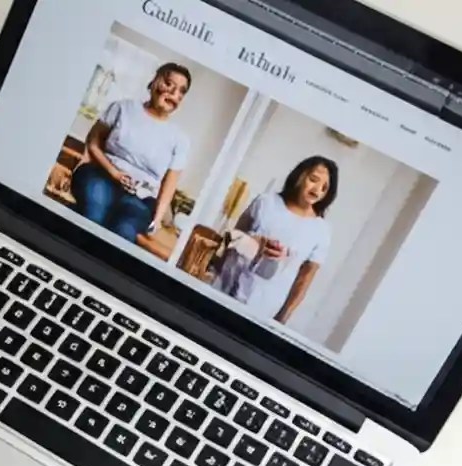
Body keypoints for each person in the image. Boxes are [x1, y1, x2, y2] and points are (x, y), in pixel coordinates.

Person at [71, 62, 193, 243]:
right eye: (169, 84)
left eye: (181, 91)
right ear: (154, 82)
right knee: (95, 213)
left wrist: (157, 219)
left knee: (124, 232)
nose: (174, 94)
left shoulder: (180, 139)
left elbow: (169, 183)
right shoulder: (122, 108)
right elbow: (93, 142)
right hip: (101, 176)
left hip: (142, 198)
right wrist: (115, 173)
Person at [214, 156, 337, 324]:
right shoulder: (266, 202)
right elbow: (231, 238)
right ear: (300, 175)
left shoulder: (321, 231)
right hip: (225, 286)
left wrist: (282, 319)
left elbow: (304, 279)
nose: (317, 189)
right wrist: (252, 242)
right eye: (313, 179)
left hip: (263, 307)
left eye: (324, 188)